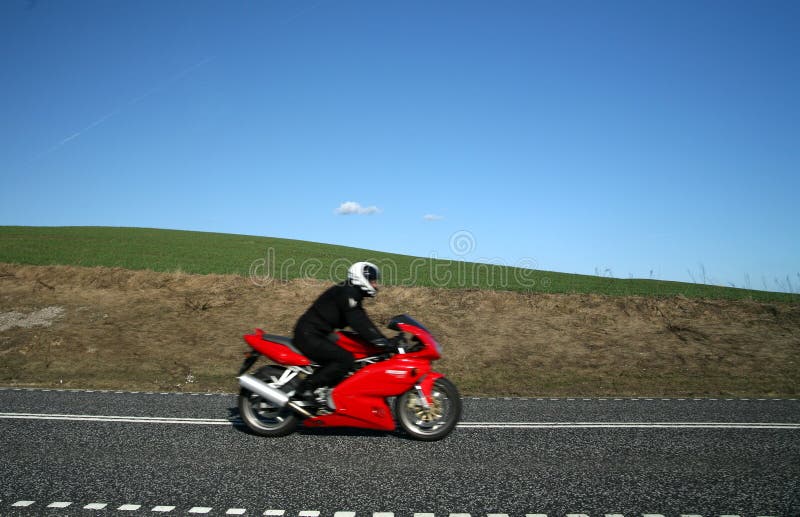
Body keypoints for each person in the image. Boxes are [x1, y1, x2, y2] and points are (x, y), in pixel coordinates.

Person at [290, 261, 395, 405]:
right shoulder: (348, 292)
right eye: (372, 280)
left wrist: (383, 339)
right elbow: (358, 321)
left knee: (350, 353)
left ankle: (329, 391)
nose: (376, 285)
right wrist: (383, 342)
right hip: (309, 334)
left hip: (317, 333)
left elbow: (362, 319)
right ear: (361, 277)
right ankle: (306, 388)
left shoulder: (351, 292)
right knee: (344, 359)